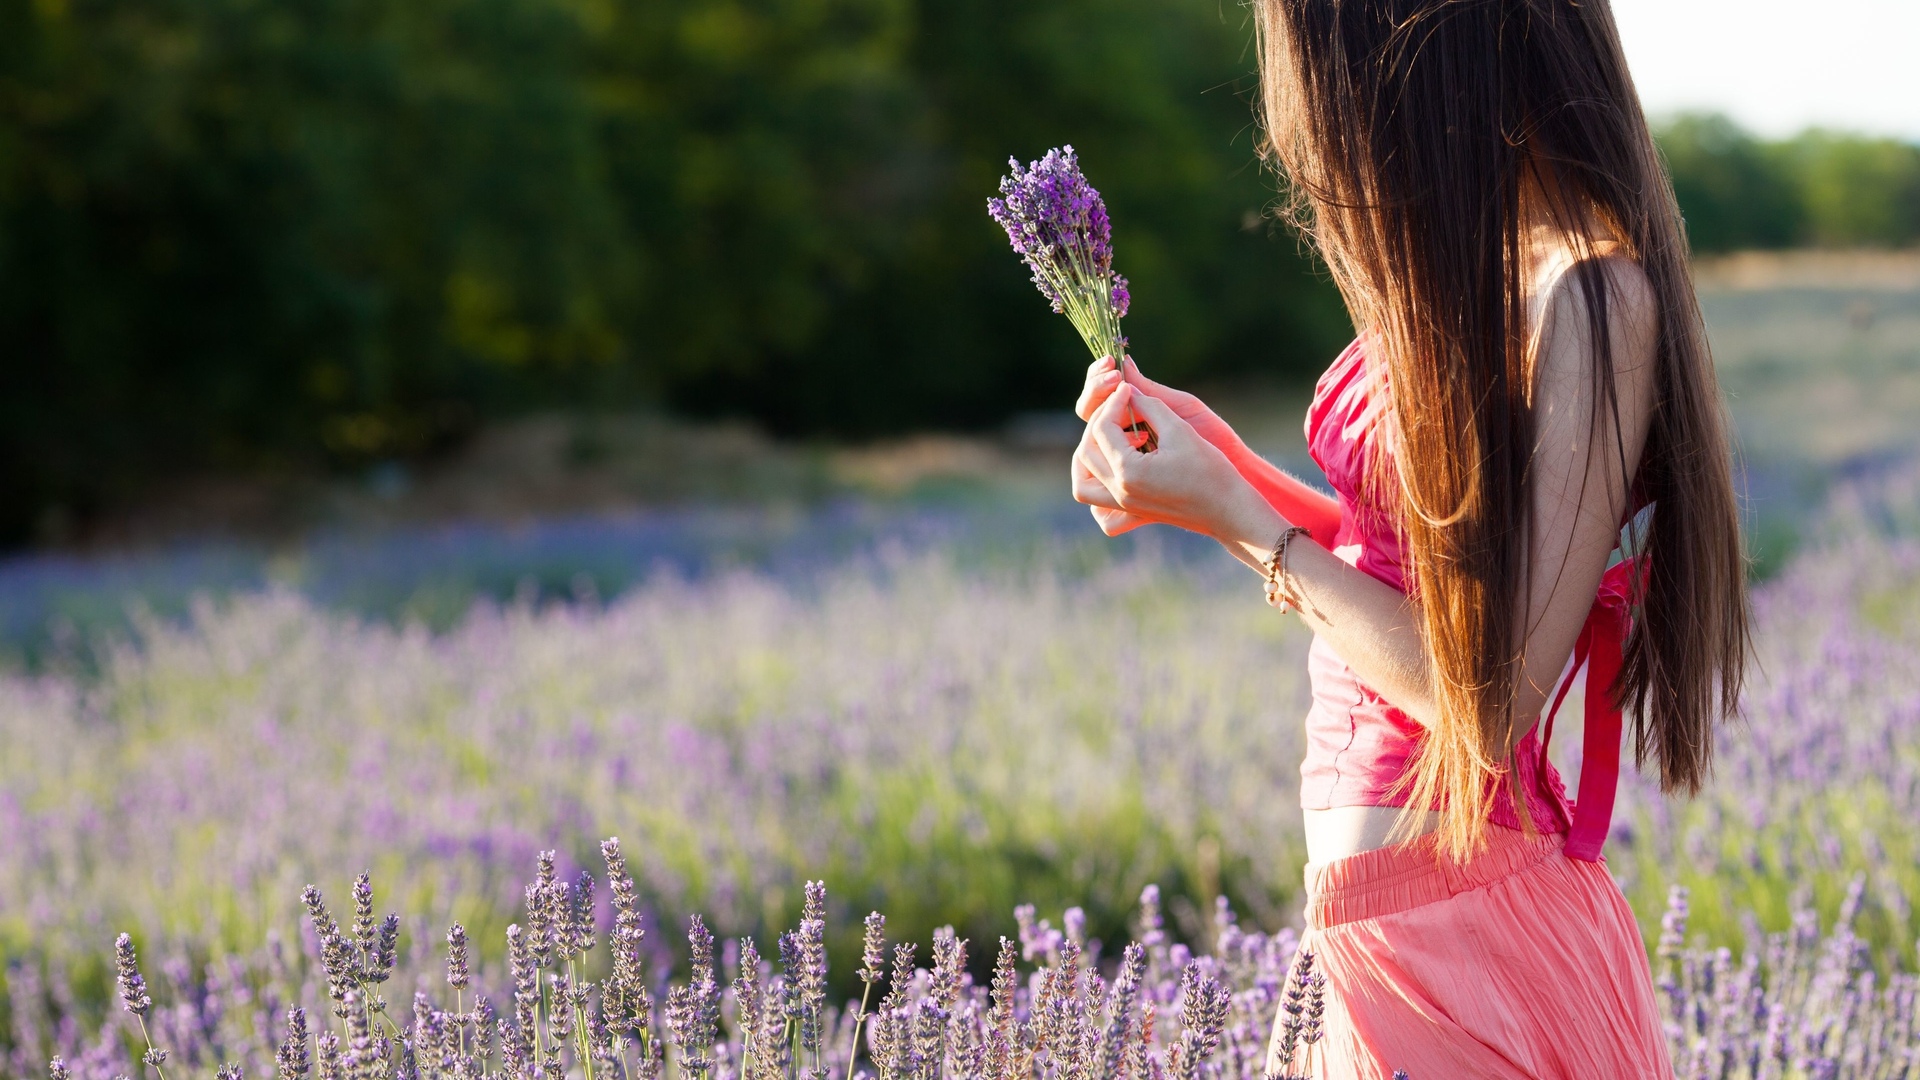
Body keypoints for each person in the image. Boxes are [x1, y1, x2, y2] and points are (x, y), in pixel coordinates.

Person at [1068, 1, 1749, 1076]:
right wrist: (1213, 474)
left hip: (1466, 938)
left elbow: (1488, 698)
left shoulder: (1592, 293)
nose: (1315, 138)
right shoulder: (1470, 274)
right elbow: (1398, 572)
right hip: (1366, 932)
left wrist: (1238, 520)